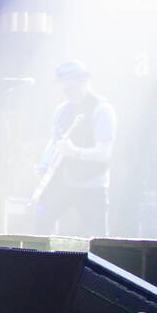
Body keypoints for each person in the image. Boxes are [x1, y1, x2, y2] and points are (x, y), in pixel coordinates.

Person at [32, 60, 116, 237]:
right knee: (41, 223)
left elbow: (105, 153)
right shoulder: (62, 110)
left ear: (84, 81)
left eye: (72, 82)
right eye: (64, 83)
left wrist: (75, 152)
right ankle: (41, 261)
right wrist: (44, 165)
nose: (68, 87)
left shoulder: (102, 109)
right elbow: (54, 142)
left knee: (98, 237)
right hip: (62, 182)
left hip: (91, 185)